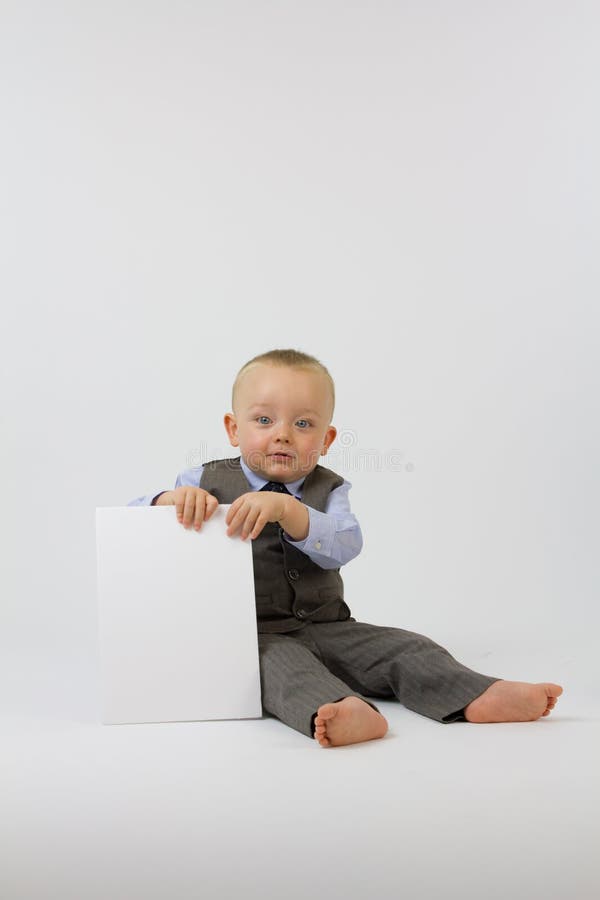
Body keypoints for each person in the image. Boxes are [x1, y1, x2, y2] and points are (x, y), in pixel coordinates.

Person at [128, 349, 563, 747]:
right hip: (256, 635)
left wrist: (290, 511)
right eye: (263, 420)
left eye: (303, 424)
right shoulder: (202, 481)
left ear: (327, 439)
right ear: (233, 429)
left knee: (406, 647)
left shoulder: (330, 488)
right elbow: (130, 519)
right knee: (280, 669)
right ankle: (340, 707)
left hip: (330, 625)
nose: (283, 435)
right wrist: (167, 501)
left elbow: (345, 545)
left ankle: (473, 693)